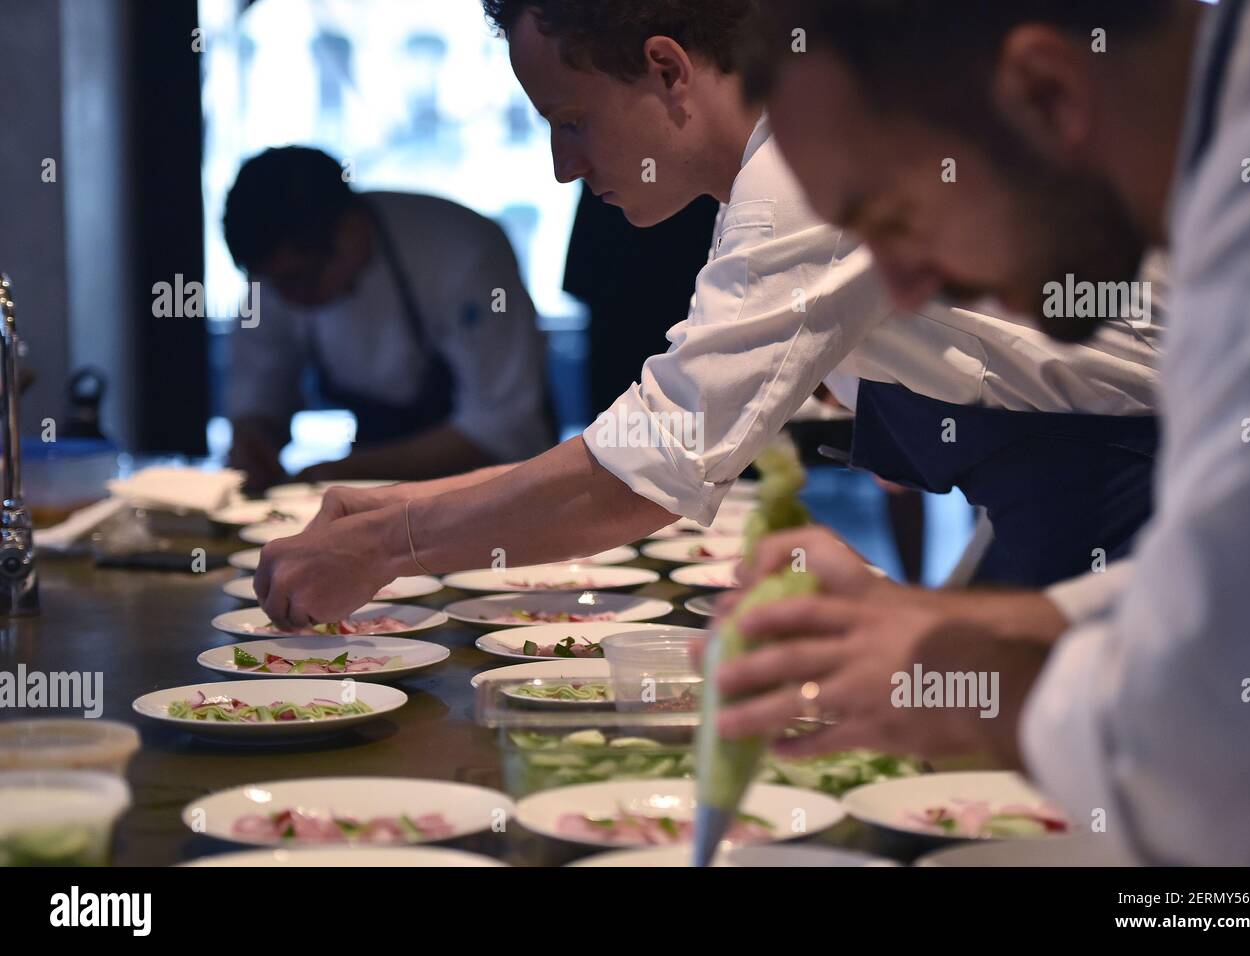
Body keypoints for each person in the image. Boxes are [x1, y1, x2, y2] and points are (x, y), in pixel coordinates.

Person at [251, 0, 1164, 624]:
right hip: (1067, 514)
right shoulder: (764, 181)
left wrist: (389, 542)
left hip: (1155, 516)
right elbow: (658, 436)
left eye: (570, 119)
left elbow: (647, 467)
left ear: (666, 69)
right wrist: (404, 507)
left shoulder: (796, 177)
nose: (563, 168)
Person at [714, 0, 1250, 865]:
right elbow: (1245, 614)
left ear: (1046, 93)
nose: (904, 291)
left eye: (893, 217)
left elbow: (1210, 772)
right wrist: (932, 629)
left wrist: (957, 681)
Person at [221, 146, 552, 491]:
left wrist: (335, 473)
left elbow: (501, 426)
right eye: (272, 284)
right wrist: (252, 436)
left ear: (351, 230)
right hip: (372, 458)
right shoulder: (276, 274)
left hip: (496, 482)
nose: (287, 298)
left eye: (299, 279)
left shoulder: (464, 253)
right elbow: (258, 389)